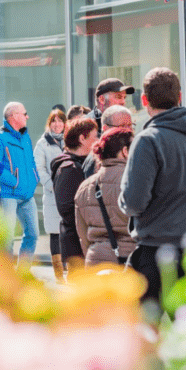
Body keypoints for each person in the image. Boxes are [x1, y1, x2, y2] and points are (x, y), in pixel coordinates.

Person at [119, 67, 186, 310]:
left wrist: (124, 200)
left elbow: (133, 202)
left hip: (159, 250)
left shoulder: (148, 140)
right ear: (180, 96)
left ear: (145, 101)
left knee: (147, 331)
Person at [74, 127, 135, 267]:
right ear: (125, 152)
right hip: (128, 262)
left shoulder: (84, 187)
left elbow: (83, 236)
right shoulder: (135, 182)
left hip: (95, 262)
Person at [0, 102, 39, 264]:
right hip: (8, 195)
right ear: (14, 116)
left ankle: (23, 273)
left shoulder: (25, 136)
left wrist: (34, 177)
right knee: (7, 239)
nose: (27, 116)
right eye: (24, 114)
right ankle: (7, 279)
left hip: (27, 195)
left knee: (33, 235)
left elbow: (30, 161)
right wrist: (13, 181)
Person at [51, 116, 98, 268]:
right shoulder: (69, 168)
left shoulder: (81, 164)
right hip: (76, 249)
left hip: (83, 245)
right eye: (95, 137)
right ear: (82, 139)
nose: (98, 141)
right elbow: (67, 209)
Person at [34, 108, 66, 273]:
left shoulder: (70, 140)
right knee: (55, 232)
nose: (57, 124)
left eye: (60, 120)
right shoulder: (43, 143)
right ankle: (59, 271)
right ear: (49, 123)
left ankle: (72, 268)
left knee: (70, 231)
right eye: (54, 121)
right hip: (53, 194)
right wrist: (51, 185)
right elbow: (39, 169)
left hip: (70, 193)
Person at [83, 104, 134, 177]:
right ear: (106, 128)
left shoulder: (135, 151)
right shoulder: (95, 159)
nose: (128, 130)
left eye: (130, 125)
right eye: (122, 126)